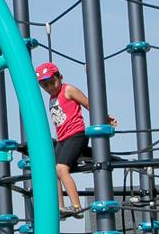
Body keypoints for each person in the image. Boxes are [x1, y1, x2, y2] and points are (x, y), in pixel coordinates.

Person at [35, 62, 116, 218]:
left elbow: (89, 104)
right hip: (63, 139)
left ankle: (76, 206)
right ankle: (59, 208)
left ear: (60, 77)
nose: (50, 87)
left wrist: (105, 117)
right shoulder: (52, 97)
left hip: (76, 135)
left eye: (52, 82)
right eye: (45, 86)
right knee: (51, 171)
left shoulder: (68, 89)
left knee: (61, 169)